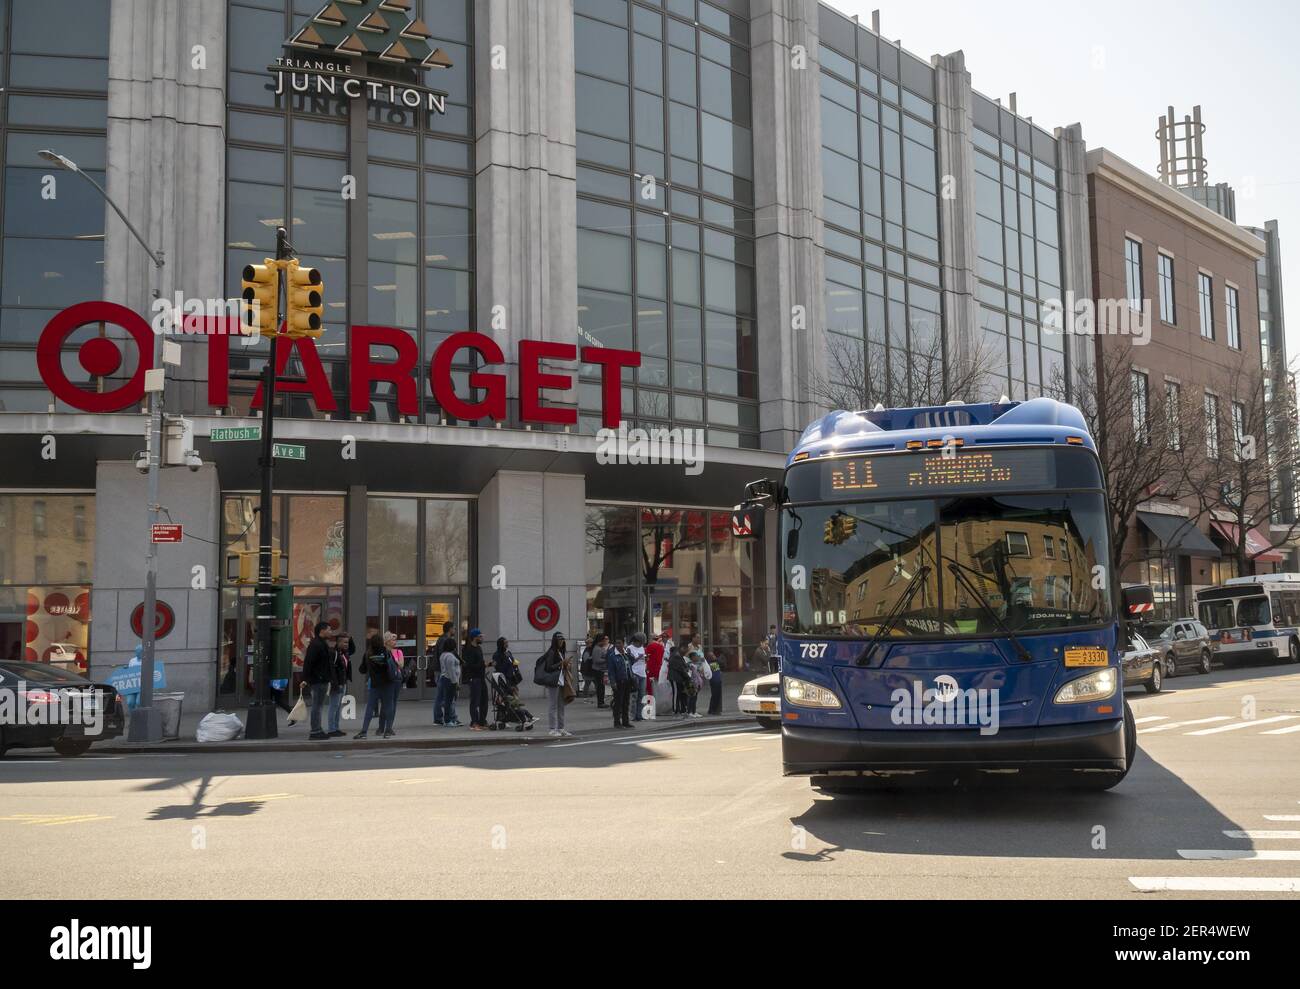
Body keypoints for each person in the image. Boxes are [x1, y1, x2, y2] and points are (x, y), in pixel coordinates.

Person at [355, 633, 397, 739]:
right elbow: (393, 666)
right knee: (388, 706)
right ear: (382, 642)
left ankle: (364, 731)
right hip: (388, 683)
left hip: (374, 684)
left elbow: (362, 669)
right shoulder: (386, 652)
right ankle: (387, 730)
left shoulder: (368, 654)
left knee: (370, 707)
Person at [301, 622, 334, 741]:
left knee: (319, 706)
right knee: (317, 706)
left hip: (321, 679)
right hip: (318, 681)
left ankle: (318, 729)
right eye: (329, 630)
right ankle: (315, 731)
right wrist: (305, 679)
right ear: (322, 631)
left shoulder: (321, 643)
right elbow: (309, 663)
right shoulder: (316, 644)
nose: (331, 632)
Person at [539, 632, 571, 737]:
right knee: (553, 705)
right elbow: (549, 667)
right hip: (554, 681)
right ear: (555, 641)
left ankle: (561, 728)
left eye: (562, 639)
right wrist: (561, 664)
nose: (561, 641)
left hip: (561, 681)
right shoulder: (552, 652)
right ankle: (552, 728)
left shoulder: (560, 652)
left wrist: (566, 664)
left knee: (561, 705)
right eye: (559, 640)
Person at [327, 630, 356, 738]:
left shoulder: (345, 653)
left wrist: (350, 638)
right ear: (338, 642)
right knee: (333, 706)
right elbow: (332, 670)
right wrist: (336, 683)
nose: (346, 645)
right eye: (344, 642)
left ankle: (336, 728)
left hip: (343, 682)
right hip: (337, 683)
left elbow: (353, 649)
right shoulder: (333, 653)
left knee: (338, 706)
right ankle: (331, 729)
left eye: (347, 643)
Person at [462, 628, 488, 731]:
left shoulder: (479, 648)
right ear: (475, 637)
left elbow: (480, 663)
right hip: (474, 678)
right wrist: (482, 664)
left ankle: (482, 721)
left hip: (481, 677)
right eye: (480, 636)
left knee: (484, 701)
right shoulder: (469, 649)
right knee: (475, 701)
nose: (482, 638)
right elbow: (469, 665)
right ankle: (474, 722)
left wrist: (487, 664)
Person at [606, 636, 632, 728]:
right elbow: (611, 671)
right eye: (616, 643)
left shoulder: (626, 654)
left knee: (626, 702)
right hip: (619, 681)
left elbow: (630, 665)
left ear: (623, 643)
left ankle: (626, 721)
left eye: (619, 643)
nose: (618, 645)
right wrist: (613, 682)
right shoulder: (612, 656)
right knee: (618, 702)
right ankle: (617, 722)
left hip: (627, 680)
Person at [437, 636, 462, 727]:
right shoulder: (450, 657)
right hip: (449, 680)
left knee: (447, 700)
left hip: (444, 678)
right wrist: (455, 682)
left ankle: (450, 719)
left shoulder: (443, 655)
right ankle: (448, 720)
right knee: (449, 701)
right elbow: (451, 671)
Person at [627, 633, 648, 721]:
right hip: (634, 673)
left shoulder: (642, 648)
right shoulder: (629, 648)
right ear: (637, 641)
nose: (642, 644)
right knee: (634, 696)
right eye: (641, 642)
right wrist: (638, 658)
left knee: (642, 695)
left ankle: (640, 715)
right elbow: (629, 661)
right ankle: (632, 715)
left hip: (642, 673)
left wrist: (645, 659)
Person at [667, 641, 691, 717]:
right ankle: (675, 710)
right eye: (686, 650)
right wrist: (687, 676)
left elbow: (682, 666)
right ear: (682, 648)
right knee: (676, 694)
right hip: (675, 677)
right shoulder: (676, 655)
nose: (686, 652)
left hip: (678, 678)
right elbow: (681, 668)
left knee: (679, 694)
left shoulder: (678, 655)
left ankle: (679, 709)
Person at [686, 645, 710, 718]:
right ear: (692, 657)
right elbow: (689, 675)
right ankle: (690, 712)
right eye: (696, 656)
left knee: (695, 698)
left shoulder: (696, 665)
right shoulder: (690, 665)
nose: (697, 657)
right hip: (691, 684)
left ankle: (694, 711)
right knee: (691, 698)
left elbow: (700, 673)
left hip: (697, 684)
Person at [590, 633, 609, 708]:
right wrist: (606, 660)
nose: (605, 642)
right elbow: (596, 660)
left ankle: (602, 701)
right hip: (598, 670)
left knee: (601, 687)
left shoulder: (601, 648)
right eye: (604, 640)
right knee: (600, 687)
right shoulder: (597, 648)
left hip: (601, 670)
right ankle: (600, 702)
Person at [707, 649, 724, 716]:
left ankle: (713, 709)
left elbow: (722, 665)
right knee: (715, 696)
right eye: (712, 655)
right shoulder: (710, 663)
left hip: (717, 680)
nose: (714, 656)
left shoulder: (716, 662)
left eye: (713, 655)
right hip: (714, 681)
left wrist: (716, 659)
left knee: (716, 696)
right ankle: (712, 710)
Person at [579, 634, 595, 698]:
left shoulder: (589, 649)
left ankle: (586, 694)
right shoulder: (587, 650)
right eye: (591, 643)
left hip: (589, 670)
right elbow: (586, 661)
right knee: (588, 683)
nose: (592, 644)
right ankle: (585, 694)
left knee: (591, 682)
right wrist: (592, 658)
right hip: (588, 670)